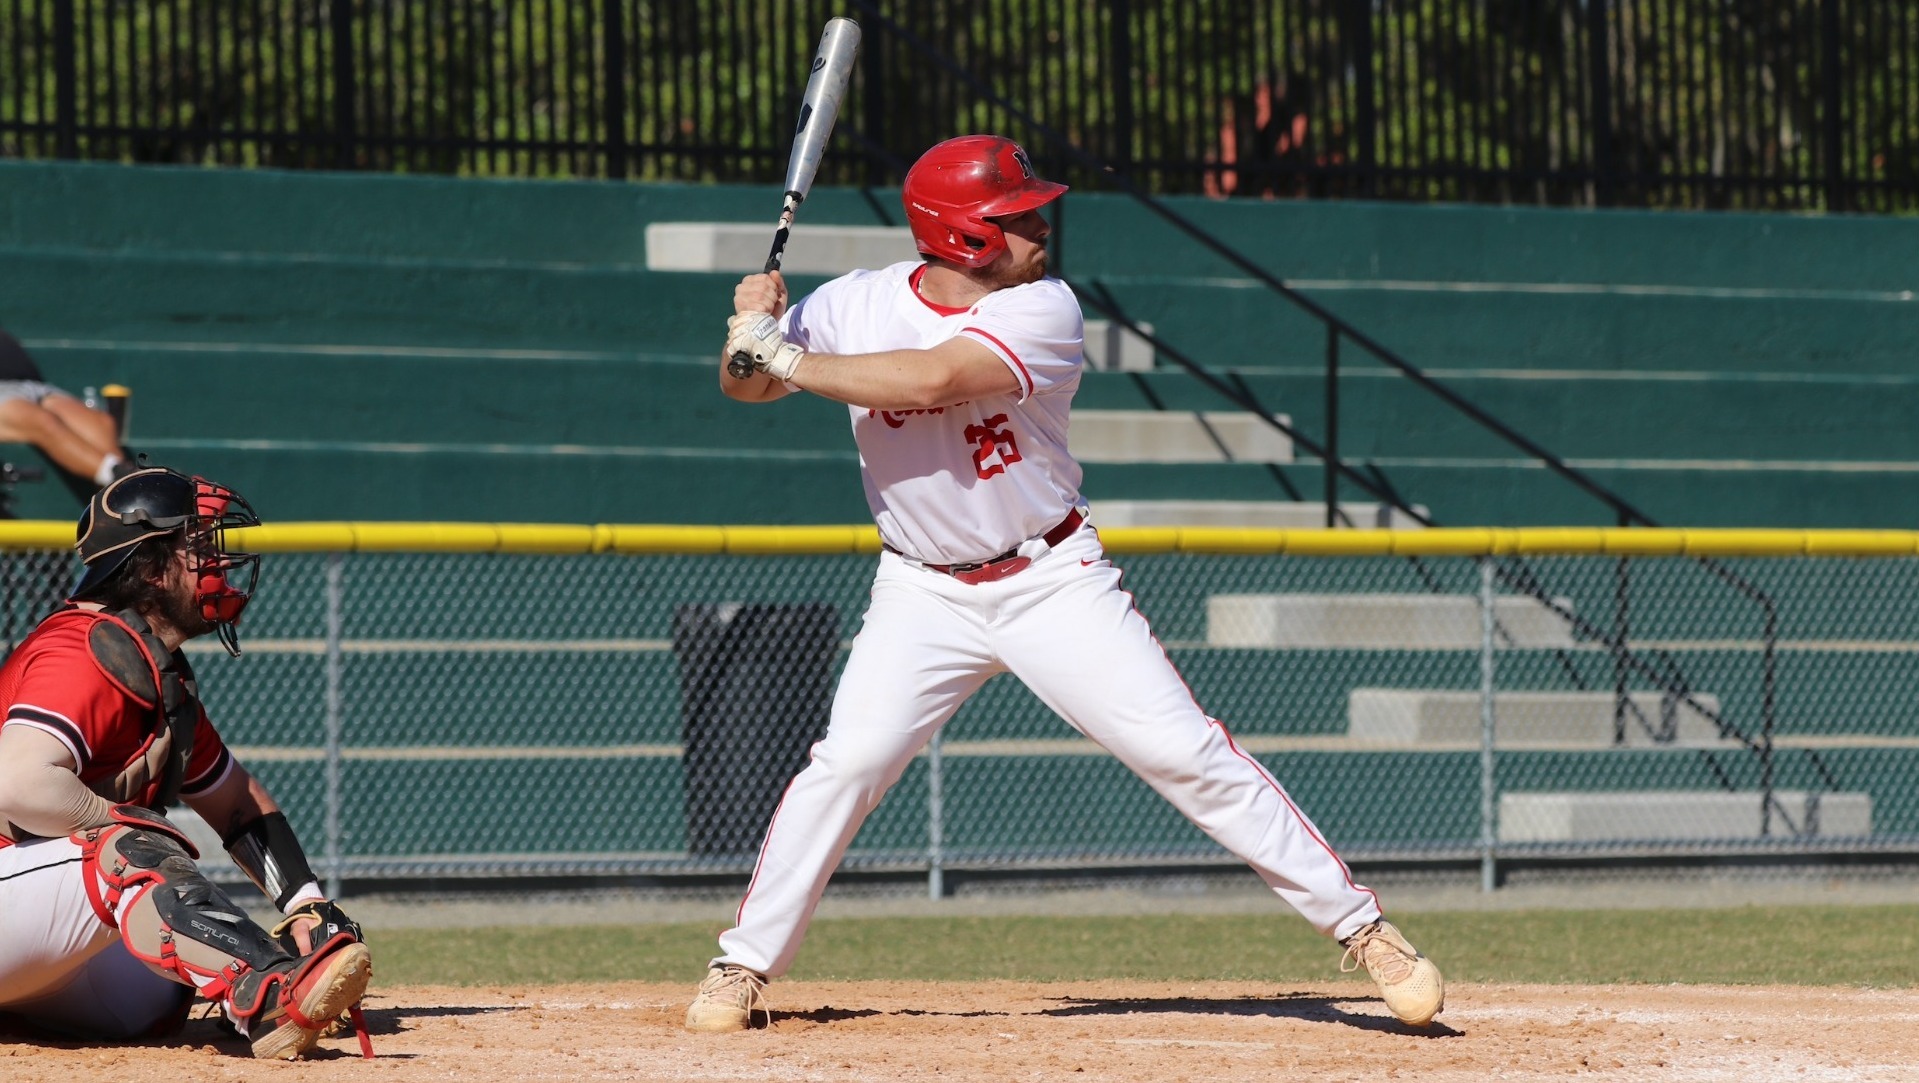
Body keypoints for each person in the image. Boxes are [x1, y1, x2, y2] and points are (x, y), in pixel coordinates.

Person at [694, 134, 1444, 1033]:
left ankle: (1362, 928)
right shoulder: (853, 303)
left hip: (1051, 579)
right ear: (963, 234)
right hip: (921, 592)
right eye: (1015, 217)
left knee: (1183, 751)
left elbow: (933, 378)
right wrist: (749, 336)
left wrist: (782, 355)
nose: (1040, 227)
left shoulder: (1043, 307)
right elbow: (745, 389)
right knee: (845, 765)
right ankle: (741, 964)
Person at [0, 467, 374, 1059]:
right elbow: (18, 784)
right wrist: (126, 828)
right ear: (153, 569)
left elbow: (238, 804)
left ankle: (254, 980)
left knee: (159, 988)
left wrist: (306, 903)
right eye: (199, 547)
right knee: (134, 850)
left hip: (27, 930)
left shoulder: (154, 674)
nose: (218, 563)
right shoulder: (81, 649)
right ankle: (270, 990)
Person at [0, 330, 134, 490]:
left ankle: (121, 491)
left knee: (102, 423)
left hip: (32, 385)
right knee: (43, 421)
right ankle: (123, 483)